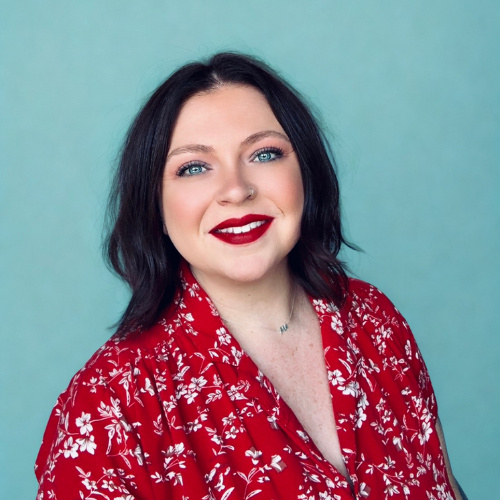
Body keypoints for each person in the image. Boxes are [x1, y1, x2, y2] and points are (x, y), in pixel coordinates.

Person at [35, 53, 465, 499]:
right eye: (194, 167)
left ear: (305, 173)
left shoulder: (374, 319)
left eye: (264, 154)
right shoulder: (109, 405)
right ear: (155, 206)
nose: (237, 190)